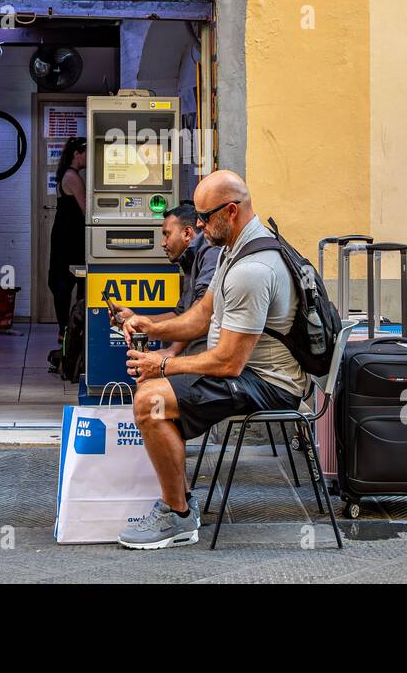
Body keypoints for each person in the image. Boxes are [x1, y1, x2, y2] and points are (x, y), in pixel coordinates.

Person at [115, 170, 301, 550]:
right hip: (244, 371)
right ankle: (181, 501)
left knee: (150, 401)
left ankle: (177, 515)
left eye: (204, 217)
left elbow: (229, 363)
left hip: (268, 384)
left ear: (230, 211)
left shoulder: (252, 270)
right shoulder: (234, 251)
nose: (197, 225)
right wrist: (150, 325)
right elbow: (201, 316)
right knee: (153, 390)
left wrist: (163, 365)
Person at [109, 200, 219, 357]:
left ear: (187, 233)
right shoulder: (190, 258)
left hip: (206, 352)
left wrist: (171, 351)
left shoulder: (211, 253)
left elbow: (200, 315)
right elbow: (179, 315)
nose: (163, 243)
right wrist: (136, 318)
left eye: (167, 234)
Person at [47, 137, 87, 355]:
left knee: (62, 282)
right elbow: (85, 209)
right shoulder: (73, 177)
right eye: (86, 153)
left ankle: (67, 330)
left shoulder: (65, 174)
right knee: (71, 282)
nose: (88, 158)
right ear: (76, 153)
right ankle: (70, 330)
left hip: (63, 235)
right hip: (71, 238)